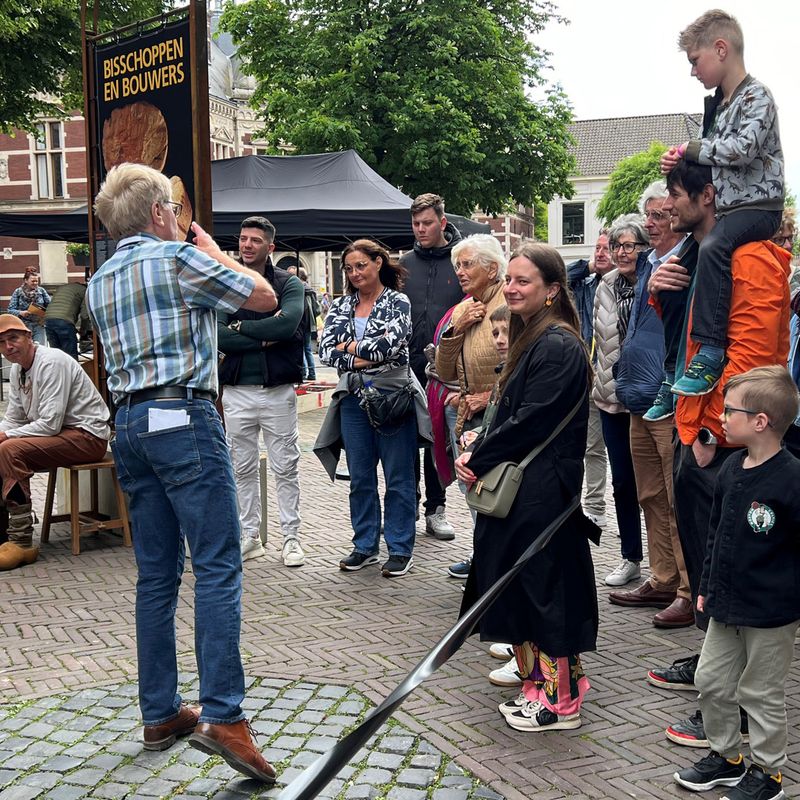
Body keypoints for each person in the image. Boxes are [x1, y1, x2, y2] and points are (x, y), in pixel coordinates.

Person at [87, 163, 278, 782]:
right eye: (172, 207)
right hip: (185, 417)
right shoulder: (178, 260)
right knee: (218, 565)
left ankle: (161, 711)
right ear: (158, 214)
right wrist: (214, 249)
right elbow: (264, 297)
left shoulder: (99, 282)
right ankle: (224, 714)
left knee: (156, 576)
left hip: (130, 429)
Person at [644, 160, 791, 751]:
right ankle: (713, 670)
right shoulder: (695, 257)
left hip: (721, 440)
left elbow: (752, 356)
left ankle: (730, 708)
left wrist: (710, 434)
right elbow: (690, 345)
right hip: (698, 429)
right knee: (708, 564)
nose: (668, 208)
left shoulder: (747, 258)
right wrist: (660, 297)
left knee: (730, 570)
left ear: (708, 196)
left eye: (676, 196)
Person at [456, 242, 597, 733]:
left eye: (524, 281)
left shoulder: (557, 345)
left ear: (553, 290)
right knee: (523, 587)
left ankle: (560, 704)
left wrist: (481, 454)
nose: (512, 288)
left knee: (546, 591)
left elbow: (532, 421)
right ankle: (543, 686)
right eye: (510, 279)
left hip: (541, 490)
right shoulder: (532, 337)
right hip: (525, 488)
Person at [673, 366, 800, 800]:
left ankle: (769, 774)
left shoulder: (792, 479)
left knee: (760, 691)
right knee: (710, 680)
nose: (721, 418)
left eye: (729, 411)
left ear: (760, 421)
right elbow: (714, 534)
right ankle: (726, 757)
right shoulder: (729, 470)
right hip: (725, 602)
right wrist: (706, 585)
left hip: (771, 612)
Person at [654, 10, 784, 405]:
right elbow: (708, 163)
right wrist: (679, 163)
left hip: (757, 207)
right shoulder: (718, 106)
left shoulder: (756, 95)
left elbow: (742, 150)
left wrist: (689, 148)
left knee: (713, 248)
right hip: (727, 210)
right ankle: (672, 369)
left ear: (721, 49)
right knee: (675, 270)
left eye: (695, 60)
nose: (693, 71)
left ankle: (709, 354)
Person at [315, 239, 430, 578]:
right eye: (349, 268)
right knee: (360, 478)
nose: (354, 273)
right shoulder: (341, 305)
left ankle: (398, 548)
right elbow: (324, 351)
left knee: (398, 477)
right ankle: (365, 545)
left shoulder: (398, 302)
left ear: (379, 263)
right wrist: (361, 353)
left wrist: (348, 348)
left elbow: (388, 347)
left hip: (393, 398)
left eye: (361, 265)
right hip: (353, 400)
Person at [609, 181, 694, 629]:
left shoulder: (687, 262)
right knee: (649, 494)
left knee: (677, 494)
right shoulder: (648, 264)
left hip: (669, 397)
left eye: (661, 214)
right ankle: (662, 576)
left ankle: (686, 587)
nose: (652, 223)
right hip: (638, 397)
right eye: (650, 215)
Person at [218, 216, 306, 568]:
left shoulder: (289, 284)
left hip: (277, 390)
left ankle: (291, 537)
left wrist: (240, 329)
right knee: (242, 467)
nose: (247, 245)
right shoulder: (224, 283)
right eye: (242, 239)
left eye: (255, 240)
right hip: (236, 390)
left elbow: (289, 325)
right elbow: (217, 334)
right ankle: (249, 536)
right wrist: (264, 336)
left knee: (287, 466)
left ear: (270, 247)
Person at [0, 314, 110, 570]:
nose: (8, 347)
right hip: (60, 434)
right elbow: (13, 418)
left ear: (29, 336)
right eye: (2, 342)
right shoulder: (18, 369)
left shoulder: (52, 361)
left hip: (87, 436)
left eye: (13, 338)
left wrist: (7, 436)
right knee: (4, 447)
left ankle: (22, 541)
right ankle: (3, 534)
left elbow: (50, 423)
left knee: (9, 449)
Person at [436, 233, 508, 566]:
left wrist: (489, 396)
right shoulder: (463, 308)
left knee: (498, 488)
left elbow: (522, 362)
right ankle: (482, 553)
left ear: (492, 269)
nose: (460, 272)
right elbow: (443, 368)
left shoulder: (509, 302)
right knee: (472, 489)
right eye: (458, 265)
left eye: (467, 264)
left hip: (500, 414)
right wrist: (455, 329)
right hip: (466, 415)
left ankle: (497, 557)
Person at [400, 193, 463, 540]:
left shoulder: (460, 260)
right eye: (416, 224)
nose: (421, 229)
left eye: (427, 223)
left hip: (446, 367)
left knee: (437, 437)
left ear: (442, 222)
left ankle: (436, 509)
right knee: (408, 439)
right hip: (407, 365)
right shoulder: (404, 263)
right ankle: (408, 507)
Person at [592, 215, 645, 587]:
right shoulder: (604, 287)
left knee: (656, 486)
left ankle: (671, 565)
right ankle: (631, 557)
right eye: (617, 246)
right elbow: (601, 343)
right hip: (611, 397)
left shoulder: (654, 280)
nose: (623, 253)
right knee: (623, 482)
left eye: (630, 245)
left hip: (648, 396)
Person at [446, 303, 510, 583]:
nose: (499, 339)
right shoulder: (502, 373)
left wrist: (484, 438)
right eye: (494, 333)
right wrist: (478, 435)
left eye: (506, 332)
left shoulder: (517, 374)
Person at [567, 232, 611, 528]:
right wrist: (590, 267)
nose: (600, 253)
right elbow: (560, 277)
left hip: (609, 378)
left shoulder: (622, 285)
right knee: (582, 444)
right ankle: (583, 505)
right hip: (583, 375)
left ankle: (597, 505)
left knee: (599, 447)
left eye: (606, 248)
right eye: (597, 248)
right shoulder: (584, 284)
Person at [44, 282, 89, 360]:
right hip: (64, 320)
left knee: (56, 354)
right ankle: (71, 372)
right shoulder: (85, 291)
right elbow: (85, 315)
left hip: (48, 319)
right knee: (70, 355)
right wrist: (83, 331)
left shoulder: (63, 287)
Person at [8, 269, 51, 345]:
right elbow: (10, 310)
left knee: (40, 349)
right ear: (25, 280)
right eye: (33, 281)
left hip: (39, 325)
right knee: (25, 350)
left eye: (36, 281)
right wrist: (21, 313)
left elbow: (50, 305)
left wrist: (45, 313)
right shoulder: (18, 292)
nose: (35, 283)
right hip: (24, 326)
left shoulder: (41, 291)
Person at [298, 267, 320, 381]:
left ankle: (303, 372)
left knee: (300, 348)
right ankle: (312, 373)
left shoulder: (299, 288)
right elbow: (317, 309)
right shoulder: (310, 289)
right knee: (307, 349)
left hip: (300, 323)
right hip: (309, 322)